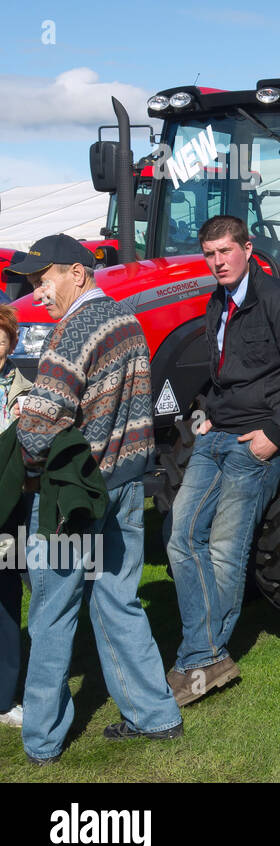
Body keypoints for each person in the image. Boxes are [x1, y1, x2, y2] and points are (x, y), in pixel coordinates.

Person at [8, 234, 181, 764]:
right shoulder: (127, 320)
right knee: (117, 599)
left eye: (44, 279)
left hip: (73, 498)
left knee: (52, 613)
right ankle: (155, 715)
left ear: (77, 275)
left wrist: (28, 468)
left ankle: (41, 741)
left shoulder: (75, 329)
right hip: (126, 483)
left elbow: (37, 424)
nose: (38, 292)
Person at [166, 215, 280, 706]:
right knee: (180, 538)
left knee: (224, 548)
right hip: (218, 435)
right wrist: (210, 415)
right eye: (210, 253)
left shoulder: (278, 299)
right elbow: (226, 373)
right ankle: (205, 652)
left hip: (256, 442)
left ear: (246, 247)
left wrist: (275, 434)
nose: (218, 261)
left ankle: (200, 660)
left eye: (225, 251)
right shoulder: (218, 301)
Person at [0, 303, 33, 730]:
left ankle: (4, 697)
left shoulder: (25, 389)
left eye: (1, 339)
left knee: (6, 597)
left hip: (8, 505)